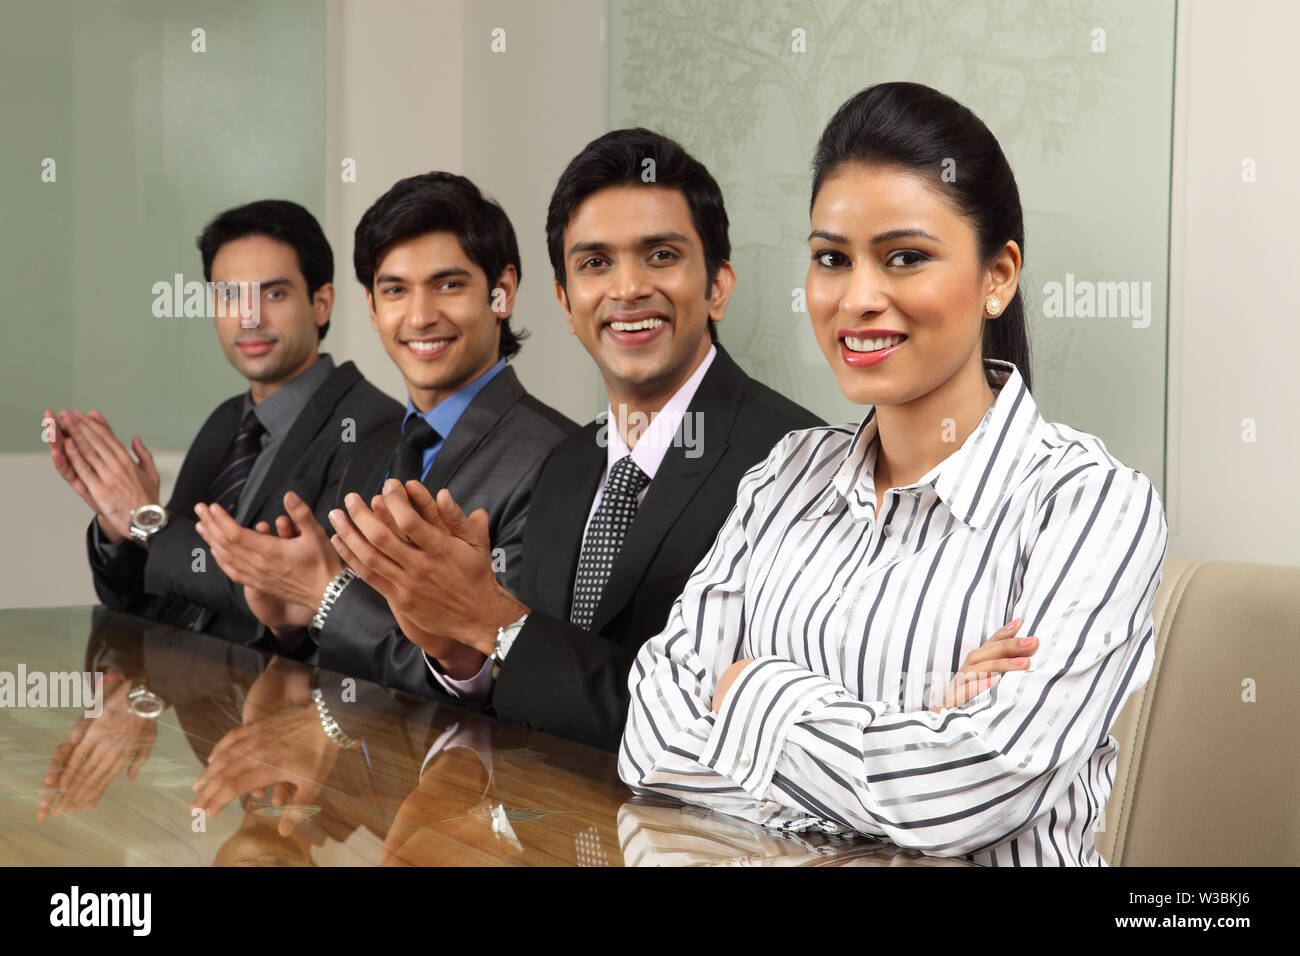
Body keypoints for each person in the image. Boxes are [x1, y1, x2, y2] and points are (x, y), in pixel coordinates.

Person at [617, 82, 1168, 867]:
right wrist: (914, 734)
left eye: (905, 257)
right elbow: (649, 734)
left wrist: (751, 691)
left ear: (997, 276)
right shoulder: (785, 475)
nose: (858, 299)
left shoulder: (1089, 505)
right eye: (831, 260)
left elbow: (981, 787)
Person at [326, 128, 825, 751]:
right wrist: (459, 650)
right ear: (565, 301)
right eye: (595, 264)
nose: (626, 289)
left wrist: (497, 622)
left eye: (661, 256)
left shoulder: (798, 461)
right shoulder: (567, 465)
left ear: (717, 286)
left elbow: (725, 718)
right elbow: (534, 683)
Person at [193, 173, 575, 693]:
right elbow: (352, 652)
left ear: (501, 293)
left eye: (449, 284)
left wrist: (327, 595)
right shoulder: (374, 449)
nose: (419, 317)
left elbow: (492, 674)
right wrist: (291, 620)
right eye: (395, 290)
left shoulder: (560, 460)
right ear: (373, 309)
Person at [47, 200, 402, 649]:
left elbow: (290, 602)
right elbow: (145, 595)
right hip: (179, 696)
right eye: (229, 296)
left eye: (274, 294)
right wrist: (120, 523)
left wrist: (149, 522)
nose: (249, 318)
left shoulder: (374, 427)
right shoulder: (228, 420)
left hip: (286, 708)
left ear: (321, 303)